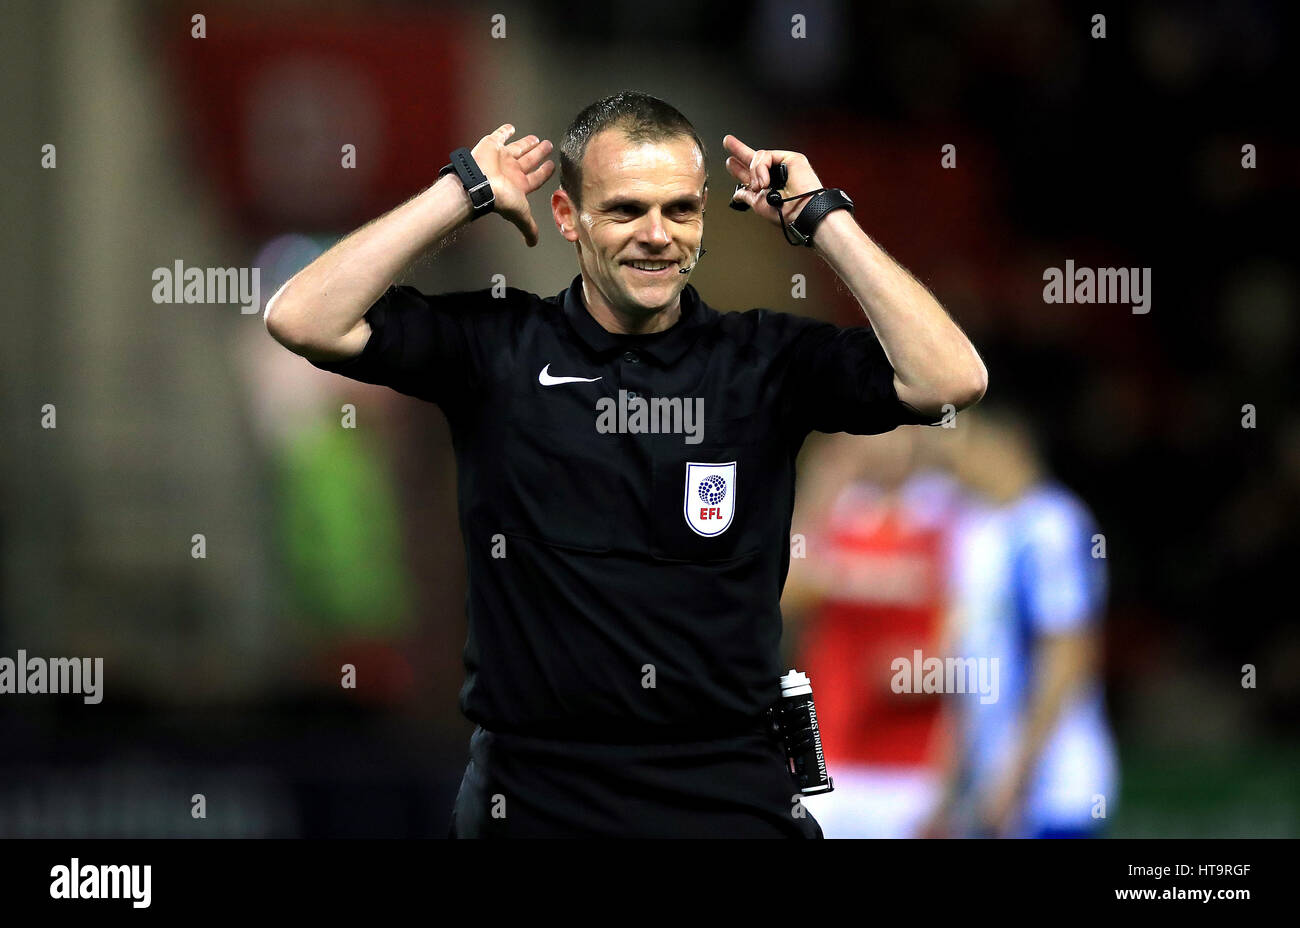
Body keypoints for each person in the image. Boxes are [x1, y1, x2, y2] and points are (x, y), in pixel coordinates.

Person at [264, 90, 987, 837]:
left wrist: (824, 218)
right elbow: (303, 317)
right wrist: (462, 192)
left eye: (680, 210)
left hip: (729, 803)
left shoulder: (764, 362)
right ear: (568, 218)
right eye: (625, 210)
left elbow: (949, 380)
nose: (656, 235)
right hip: (537, 805)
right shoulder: (499, 350)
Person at [922, 401, 1118, 838]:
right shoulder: (977, 532)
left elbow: (1068, 656)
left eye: (964, 447)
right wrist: (949, 789)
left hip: (1056, 784)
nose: (954, 464)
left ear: (1007, 445)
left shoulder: (1053, 525)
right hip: (993, 787)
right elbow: (969, 673)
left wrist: (1018, 774)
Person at [785, 429, 963, 838]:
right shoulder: (836, 509)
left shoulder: (953, 518)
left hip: (912, 769)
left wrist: (919, 670)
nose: (881, 443)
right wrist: (828, 475)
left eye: (895, 431)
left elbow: (976, 658)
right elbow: (782, 593)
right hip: (824, 754)